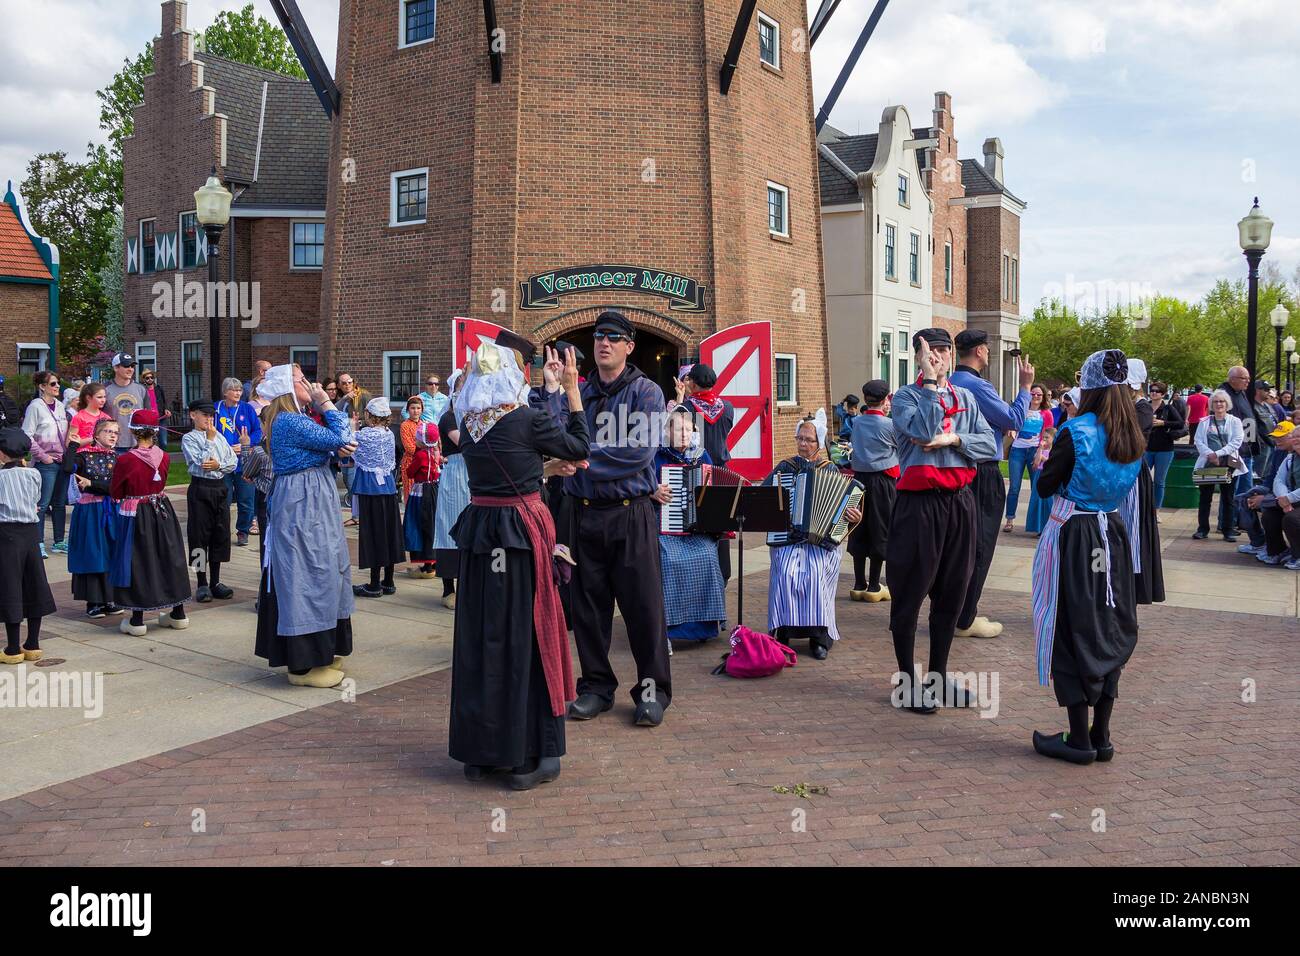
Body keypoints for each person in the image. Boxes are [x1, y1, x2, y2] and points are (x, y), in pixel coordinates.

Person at [449, 343, 590, 789]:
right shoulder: (529, 418)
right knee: (528, 635)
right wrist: (571, 391)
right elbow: (582, 445)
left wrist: (544, 469)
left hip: (481, 532)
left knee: (483, 639)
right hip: (520, 536)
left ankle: (484, 752)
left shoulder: (468, 424)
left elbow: (505, 463)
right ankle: (540, 752)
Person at [547, 310, 672, 727]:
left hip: (630, 514)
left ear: (629, 346)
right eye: (599, 336)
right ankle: (596, 688)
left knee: (643, 609)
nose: (604, 343)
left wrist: (577, 458)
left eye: (614, 337)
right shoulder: (576, 391)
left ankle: (652, 691)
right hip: (582, 515)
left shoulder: (646, 392)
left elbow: (636, 453)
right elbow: (549, 437)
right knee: (587, 609)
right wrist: (552, 391)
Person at [1030, 348, 1144, 765]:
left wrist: (1045, 463)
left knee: (1069, 623)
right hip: (1112, 534)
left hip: (1075, 536)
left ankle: (1079, 738)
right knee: (1107, 624)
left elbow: (1045, 488)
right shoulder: (1132, 434)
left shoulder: (1075, 431)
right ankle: (1102, 734)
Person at [886, 328, 997, 712]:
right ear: (918, 355)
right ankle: (906, 681)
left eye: (944, 350)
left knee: (953, 592)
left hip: (960, 503)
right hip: (919, 506)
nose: (938, 356)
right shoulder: (905, 397)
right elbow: (921, 430)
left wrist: (954, 441)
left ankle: (937, 676)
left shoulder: (966, 396)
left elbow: (990, 446)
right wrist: (931, 385)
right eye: (929, 351)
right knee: (910, 593)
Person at [254, 365, 357, 688]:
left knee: (326, 568)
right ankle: (304, 664)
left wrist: (331, 444)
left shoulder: (293, 420)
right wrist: (326, 403)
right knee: (308, 570)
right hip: (302, 501)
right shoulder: (289, 420)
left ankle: (324, 650)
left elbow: (336, 443)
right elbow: (342, 435)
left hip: (312, 496)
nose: (309, 384)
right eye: (301, 380)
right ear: (287, 388)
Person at [948, 329, 1034, 638]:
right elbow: (1013, 418)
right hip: (981, 472)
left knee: (955, 547)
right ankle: (965, 617)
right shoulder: (976, 385)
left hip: (954, 470)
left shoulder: (949, 382)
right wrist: (1025, 388)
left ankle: (950, 611)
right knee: (979, 545)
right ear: (982, 351)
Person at [764, 410, 862, 660]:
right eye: (800, 438)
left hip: (820, 542)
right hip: (788, 537)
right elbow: (763, 496)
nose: (803, 444)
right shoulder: (785, 467)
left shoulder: (831, 470)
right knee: (786, 571)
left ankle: (819, 637)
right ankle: (782, 633)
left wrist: (853, 518)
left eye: (809, 440)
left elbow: (845, 513)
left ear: (819, 443)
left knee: (816, 573)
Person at [109, 409, 191, 635]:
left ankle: (137, 619)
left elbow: (116, 490)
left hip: (136, 512)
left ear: (133, 431)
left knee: (138, 560)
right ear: (156, 432)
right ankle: (178, 611)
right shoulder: (163, 456)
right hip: (162, 509)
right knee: (170, 556)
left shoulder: (126, 460)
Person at [651, 405, 727, 641]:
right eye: (678, 429)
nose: (684, 434)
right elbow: (640, 484)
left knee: (707, 554)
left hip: (695, 528)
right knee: (668, 559)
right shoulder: (655, 456)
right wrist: (652, 491)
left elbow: (711, 492)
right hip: (664, 523)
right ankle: (671, 627)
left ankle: (705, 625)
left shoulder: (701, 455)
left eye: (688, 429)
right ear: (667, 431)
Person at [675, 362, 736, 581]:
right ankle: (723, 573)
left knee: (696, 522)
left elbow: (673, 430)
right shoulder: (727, 407)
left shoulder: (688, 409)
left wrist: (680, 399)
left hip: (697, 471)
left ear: (691, 382)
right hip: (722, 473)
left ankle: (699, 574)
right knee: (721, 523)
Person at [0, 428, 57, 664]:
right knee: (34, 583)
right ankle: (33, 643)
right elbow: (35, 501)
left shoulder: (1, 478)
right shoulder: (34, 474)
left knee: (10, 586)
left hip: (6, 534)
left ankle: (13, 648)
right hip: (30, 533)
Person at [61, 418, 124, 618]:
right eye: (108, 431)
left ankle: (110, 598)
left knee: (112, 552)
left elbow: (118, 488)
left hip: (112, 510)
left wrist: (92, 484)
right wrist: (73, 445)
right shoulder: (84, 456)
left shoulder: (119, 458)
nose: (113, 435)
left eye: (116, 432)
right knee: (93, 553)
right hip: (90, 512)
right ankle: (93, 601)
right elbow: (67, 468)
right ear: (96, 435)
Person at [182, 399, 237, 602]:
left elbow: (232, 462)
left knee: (219, 534)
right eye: (204, 415)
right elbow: (203, 464)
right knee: (199, 536)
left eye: (211, 415)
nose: (209, 419)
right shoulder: (190, 438)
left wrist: (218, 464)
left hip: (220, 488)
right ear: (193, 415)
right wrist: (210, 441)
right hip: (200, 489)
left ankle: (215, 581)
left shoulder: (220, 437)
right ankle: (202, 582)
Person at [846, 379, 897, 602]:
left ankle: (859, 582)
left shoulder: (856, 422)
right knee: (880, 529)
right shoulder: (889, 425)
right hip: (883, 481)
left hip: (858, 480)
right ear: (885, 399)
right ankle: (875, 584)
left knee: (858, 526)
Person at [351, 397, 405, 598]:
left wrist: (353, 426)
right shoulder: (389, 434)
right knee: (389, 533)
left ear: (370, 416)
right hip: (388, 488)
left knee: (373, 534)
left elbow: (347, 441)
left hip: (370, 489)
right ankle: (388, 581)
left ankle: (374, 584)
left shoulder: (365, 435)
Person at [1123, 359, 1165, 605]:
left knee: (1133, 529)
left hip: (1133, 474)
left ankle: (1134, 584)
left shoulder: (1143, 409)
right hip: (1120, 472)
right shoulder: (1127, 406)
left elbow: (1128, 438)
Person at [21, 370, 69, 557]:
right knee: (42, 503)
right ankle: (38, 542)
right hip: (46, 462)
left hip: (61, 460)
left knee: (59, 503)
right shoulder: (35, 407)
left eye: (58, 383)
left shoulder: (59, 406)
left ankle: (59, 541)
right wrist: (42, 456)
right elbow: (27, 435)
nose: (57, 387)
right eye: (53, 384)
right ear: (42, 386)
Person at [433, 371, 469, 609]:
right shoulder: (449, 418)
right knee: (450, 526)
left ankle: (467, 584)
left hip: (472, 473)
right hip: (456, 472)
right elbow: (465, 441)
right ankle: (449, 588)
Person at [1192, 389, 1246, 540]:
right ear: (1211, 404)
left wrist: (1218, 454)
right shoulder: (1204, 422)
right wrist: (1210, 454)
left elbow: (1237, 441)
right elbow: (1198, 441)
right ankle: (1202, 529)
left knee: (1228, 498)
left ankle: (1228, 529)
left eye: (1222, 401)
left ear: (1227, 404)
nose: (1219, 404)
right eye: (1215, 401)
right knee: (1205, 498)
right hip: (1208, 464)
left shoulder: (1235, 421)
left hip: (1228, 463)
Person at [214, 378, 262, 547]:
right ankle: (221, 531)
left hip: (244, 462)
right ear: (225, 392)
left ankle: (243, 531)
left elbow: (258, 431)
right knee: (223, 500)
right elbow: (209, 432)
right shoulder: (216, 409)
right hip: (223, 462)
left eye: (240, 390)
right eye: (234, 390)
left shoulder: (247, 408)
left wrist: (246, 444)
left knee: (246, 500)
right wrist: (226, 448)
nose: (237, 393)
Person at [1004, 384, 1048, 533]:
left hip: (1035, 452)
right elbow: (1010, 423)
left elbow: (1048, 436)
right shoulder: (1021, 410)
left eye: (1039, 395)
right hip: (1017, 451)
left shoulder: (1046, 413)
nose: (1035, 397)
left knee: (1036, 488)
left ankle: (1038, 523)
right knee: (1014, 487)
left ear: (1043, 398)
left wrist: (1040, 452)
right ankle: (1009, 519)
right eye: (1033, 394)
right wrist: (1010, 430)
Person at [1255, 429, 1300, 569]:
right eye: (1294, 437)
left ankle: (1297, 555)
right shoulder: (1290, 458)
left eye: (1299, 437)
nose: (1296, 439)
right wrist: (1283, 498)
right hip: (1291, 499)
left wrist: (1288, 499)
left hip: (1293, 499)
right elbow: (1278, 480)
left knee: (1292, 519)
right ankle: (1278, 551)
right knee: (1270, 515)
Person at [403, 417, 440, 578]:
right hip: (434, 490)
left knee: (419, 525)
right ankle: (433, 561)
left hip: (420, 492)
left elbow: (410, 472)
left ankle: (427, 566)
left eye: (417, 438)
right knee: (431, 524)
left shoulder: (421, 456)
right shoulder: (435, 453)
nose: (415, 440)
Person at [1144, 381, 1186, 509]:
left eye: (1157, 391)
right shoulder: (1144, 407)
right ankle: (1144, 507)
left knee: (1159, 481)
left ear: (1163, 394)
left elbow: (1180, 423)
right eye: (1152, 390)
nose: (1154, 393)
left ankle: (1156, 510)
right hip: (1146, 447)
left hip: (1164, 449)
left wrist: (1164, 423)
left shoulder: (1168, 408)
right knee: (1142, 479)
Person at [104, 353, 148, 452]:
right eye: (126, 366)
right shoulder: (104, 389)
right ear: (115, 368)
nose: (130, 369)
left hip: (138, 445)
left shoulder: (141, 389)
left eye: (132, 366)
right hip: (113, 445)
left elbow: (148, 416)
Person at [1024, 426, 1055, 535]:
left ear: (1053, 438)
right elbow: (1036, 464)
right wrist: (1040, 450)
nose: (1044, 440)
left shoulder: (1054, 451)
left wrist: (1044, 459)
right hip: (1039, 475)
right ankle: (1039, 528)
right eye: (1043, 437)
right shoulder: (1040, 449)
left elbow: (1053, 464)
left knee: (1049, 502)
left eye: (1047, 438)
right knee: (1038, 501)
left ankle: (1050, 526)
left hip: (1049, 476)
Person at [400, 395, 425, 501]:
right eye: (413, 408)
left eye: (418, 408)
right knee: (411, 494)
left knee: (423, 495)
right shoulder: (405, 425)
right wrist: (425, 450)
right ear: (408, 410)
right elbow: (409, 448)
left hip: (424, 464)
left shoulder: (425, 424)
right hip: (410, 464)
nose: (416, 411)